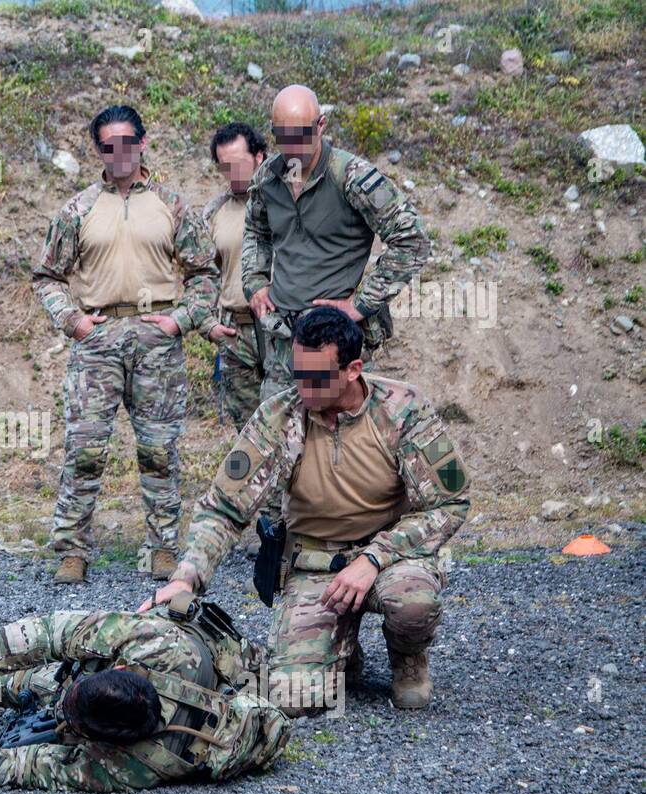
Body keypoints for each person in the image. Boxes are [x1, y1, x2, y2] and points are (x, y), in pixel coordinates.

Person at [144, 308, 470, 714]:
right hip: (316, 564)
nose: (304, 388)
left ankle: (407, 657)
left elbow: (451, 502)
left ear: (353, 370)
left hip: (390, 558)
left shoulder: (402, 409)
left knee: (414, 602)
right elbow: (224, 509)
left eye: (317, 378)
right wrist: (186, 579)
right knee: (294, 698)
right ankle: (340, 648)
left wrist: (374, 557)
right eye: (299, 374)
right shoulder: (279, 417)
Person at [33, 105, 218, 586]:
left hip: (156, 340)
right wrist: (72, 320)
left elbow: (204, 276)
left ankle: (162, 548)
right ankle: (72, 552)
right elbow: (47, 276)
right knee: (85, 450)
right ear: (97, 149)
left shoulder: (172, 204)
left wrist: (180, 321)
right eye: (108, 145)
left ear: (142, 142)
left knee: (159, 452)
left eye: (128, 142)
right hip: (97, 342)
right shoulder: (78, 209)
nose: (119, 153)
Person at [0, 606, 290, 792]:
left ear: (101, 743)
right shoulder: (154, 644)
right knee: (28, 681)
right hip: (218, 660)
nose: (58, 714)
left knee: (27, 691)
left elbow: (2, 766)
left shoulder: (125, 768)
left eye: (69, 722)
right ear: (120, 668)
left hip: (226, 694)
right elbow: (44, 635)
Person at [242, 85, 431, 403]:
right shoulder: (267, 178)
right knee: (279, 441)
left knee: (343, 435)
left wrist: (363, 304)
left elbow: (412, 239)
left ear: (321, 125)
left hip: (335, 346)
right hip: (283, 340)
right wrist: (255, 280)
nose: (291, 147)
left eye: (301, 135)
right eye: (282, 136)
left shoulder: (352, 178)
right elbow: (255, 231)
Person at [201, 122, 269, 430]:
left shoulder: (290, 201)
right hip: (236, 335)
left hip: (284, 331)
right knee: (250, 432)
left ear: (259, 156)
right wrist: (207, 323)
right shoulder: (215, 211)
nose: (233, 173)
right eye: (224, 167)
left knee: (296, 426)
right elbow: (199, 275)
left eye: (239, 163)